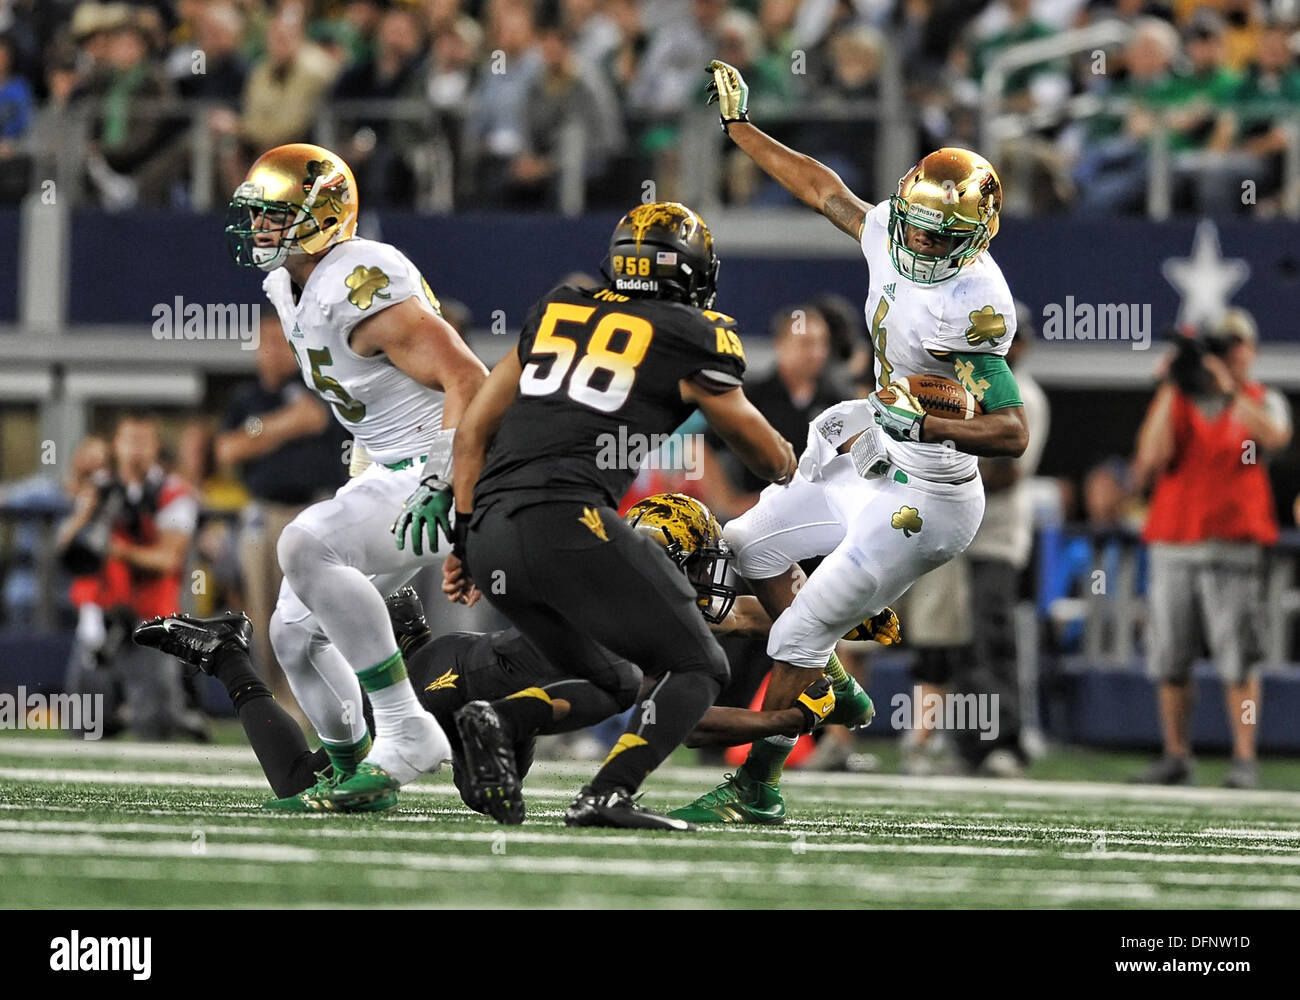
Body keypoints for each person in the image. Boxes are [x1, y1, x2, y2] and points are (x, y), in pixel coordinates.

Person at [670, 60, 1029, 825]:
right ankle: (833, 679)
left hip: (929, 496)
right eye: (915, 225)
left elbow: (1012, 431)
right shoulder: (888, 231)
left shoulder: (973, 303)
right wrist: (740, 129)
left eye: (940, 235)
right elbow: (821, 188)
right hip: (876, 450)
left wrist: (924, 422)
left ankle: (758, 786)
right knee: (744, 546)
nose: (920, 243)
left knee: (796, 629)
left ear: (973, 238)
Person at [133, 493, 876, 812]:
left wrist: (838, 619)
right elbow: (681, 718)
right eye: (700, 562)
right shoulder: (626, 614)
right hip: (457, 685)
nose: (713, 576)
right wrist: (781, 724)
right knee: (305, 786)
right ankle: (229, 653)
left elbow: (735, 616)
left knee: (565, 719)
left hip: (471, 660)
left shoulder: (620, 591)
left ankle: (487, 709)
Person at [432, 201, 798, 830]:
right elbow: (768, 458)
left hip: (491, 528)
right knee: (699, 664)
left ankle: (499, 719)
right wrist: (798, 459)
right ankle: (608, 791)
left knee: (616, 680)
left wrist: (465, 539)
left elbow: (471, 436)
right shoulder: (691, 334)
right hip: (569, 521)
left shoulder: (558, 309)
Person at [224, 141, 487, 809]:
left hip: (442, 468)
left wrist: (439, 480)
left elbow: (468, 379)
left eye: (274, 214)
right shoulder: (289, 282)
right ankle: (352, 771)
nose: (259, 228)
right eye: (256, 214)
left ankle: (406, 731)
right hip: (389, 466)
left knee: (306, 545)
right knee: (292, 634)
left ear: (322, 216)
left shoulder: (357, 279)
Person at [1131, 307, 1291, 789]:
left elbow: (1274, 438)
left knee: (1238, 660)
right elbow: (1149, 462)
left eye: (1230, 347)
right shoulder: (1179, 402)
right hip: (1176, 543)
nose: (1223, 356)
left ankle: (1244, 758)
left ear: (1249, 351)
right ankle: (1176, 754)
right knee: (1170, 657)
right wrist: (1171, 385)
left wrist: (1228, 390)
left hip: (1233, 547)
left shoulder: (1263, 400)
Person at [215, 313, 347, 723]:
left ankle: (318, 704)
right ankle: (275, 702)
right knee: (262, 609)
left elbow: (317, 418)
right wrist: (283, 425)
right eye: (266, 341)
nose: (273, 350)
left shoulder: (318, 383)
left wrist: (259, 435)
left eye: (282, 341)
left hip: (314, 510)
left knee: (311, 610)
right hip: (263, 513)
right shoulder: (247, 400)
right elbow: (226, 451)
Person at [58, 413, 201, 740]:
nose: (135, 451)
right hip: (101, 617)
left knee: (156, 728)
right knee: (85, 728)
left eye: (143, 441)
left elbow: (168, 558)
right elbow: (67, 547)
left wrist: (119, 550)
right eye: (129, 441)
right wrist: (87, 505)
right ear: (116, 445)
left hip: (149, 620)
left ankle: (184, 710)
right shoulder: (100, 488)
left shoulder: (173, 492)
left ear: (156, 447)